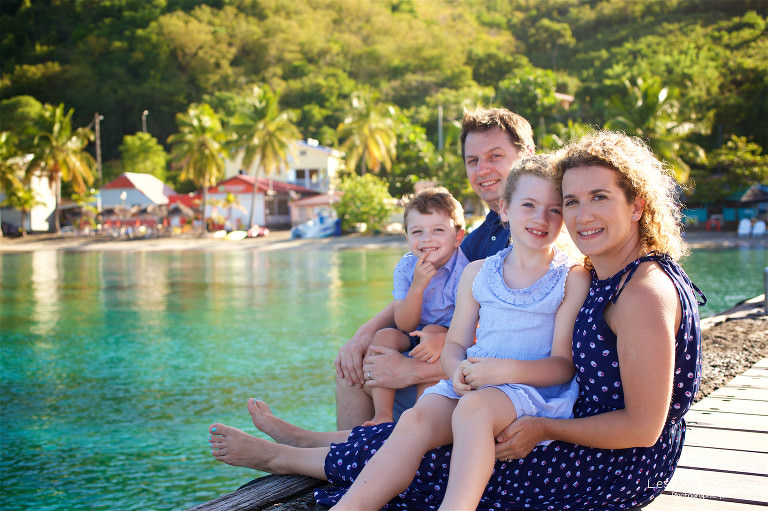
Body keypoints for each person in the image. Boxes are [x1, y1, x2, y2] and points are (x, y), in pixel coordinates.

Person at [208, 131, 705, 510]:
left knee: (430, 459)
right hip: (558, 424)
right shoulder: (601, 271)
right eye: (573, 201)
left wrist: (542, 428)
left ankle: (283, 457)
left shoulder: (641, 291)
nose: (578, 214)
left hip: (610, 462)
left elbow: (642, 429)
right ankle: (298, 457)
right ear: (508, 211)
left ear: (638, 204)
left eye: (599, 197)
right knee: (416, 431)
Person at [330, 155, 591, 510]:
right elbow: (454, 345)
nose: (540, 218)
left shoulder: (570, 277)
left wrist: (501, 372)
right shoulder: (478, 273)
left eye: (554, 209)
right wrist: (458, 373)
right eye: (528, 204)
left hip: (530, 390)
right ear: (504, 208)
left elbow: (562, 366)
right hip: (476, 381)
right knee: (416, 417)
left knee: (474, 410)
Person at [335, 107, 535, 428]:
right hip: (458, 354)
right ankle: (348, 459)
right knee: (355, 363)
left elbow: (522, 334)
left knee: (377, 373)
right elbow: (427, 288)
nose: (482, 169)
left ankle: (331, 454)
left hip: (499, 382)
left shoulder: (535, 234)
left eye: (495, 156)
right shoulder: (480, 236)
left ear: (526, 155)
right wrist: (362, 335)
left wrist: (414, 371)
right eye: (473, 160)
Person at [363, 187, 469, 426]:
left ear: (458, 237)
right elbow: (404, 324)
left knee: (431, 331)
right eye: (417, 232)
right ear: (407, 237)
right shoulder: (405, 267)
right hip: (412, 332)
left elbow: (471, 324)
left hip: (446, 338)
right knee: (384, 336)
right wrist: (418, 286)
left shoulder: (466, 271)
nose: (427, 239)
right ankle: (382, 416)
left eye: (438, 230)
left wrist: (440, 338)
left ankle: (420, 415)